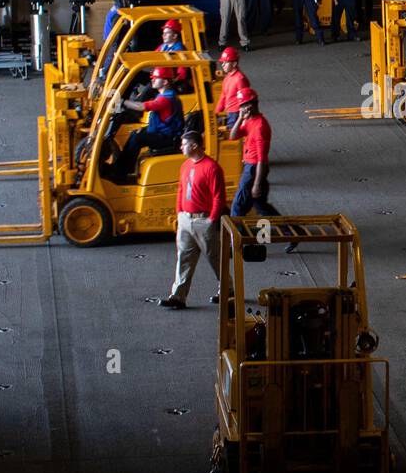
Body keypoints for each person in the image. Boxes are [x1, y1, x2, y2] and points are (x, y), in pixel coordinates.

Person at [160, 130, 227, 310]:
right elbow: (181, 190)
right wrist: (179, 213)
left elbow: (219, 197)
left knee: (215, 259)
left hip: (203, 220)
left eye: (184, 144)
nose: (181, 147)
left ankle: (228, 291)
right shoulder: (185, 165)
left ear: (195, 145)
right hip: (185, 220)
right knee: (184, 257)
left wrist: (212, 220)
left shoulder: (212, 168)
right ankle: (178, 296)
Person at [228, 88, 299, 253]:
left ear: (251, 105)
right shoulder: (249, 121)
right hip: (250, 167)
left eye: (243, 105)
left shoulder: (260, 126)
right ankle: (293, 232)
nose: (241, 108)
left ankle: (239, 243)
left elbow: (262, 159)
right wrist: (239, 118)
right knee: (262, 206)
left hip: (253, 170)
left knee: (237, 208)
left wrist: (257, 184)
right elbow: (233, 136)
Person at [108, 67, 184, 181]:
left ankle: (121, 173)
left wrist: (122, 102)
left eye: (156, 78)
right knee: (135, 133)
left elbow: (142, 107)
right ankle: (119, 167)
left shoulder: (166, 98)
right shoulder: (165, 94)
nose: (152, 80)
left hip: (167, 137)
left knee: (137, 138)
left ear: (165, 81)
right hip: (161, 131)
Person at [213, 46, 249, 129]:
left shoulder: (240, 79)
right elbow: (223, 96)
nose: (223, 65)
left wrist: (243, 119)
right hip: (230, 112)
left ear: (234, 64)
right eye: (222, 62)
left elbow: (245, 100)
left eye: (226, 62)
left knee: (232, 137)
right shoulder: (227, 77)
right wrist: (216, 112)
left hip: (236, 114)